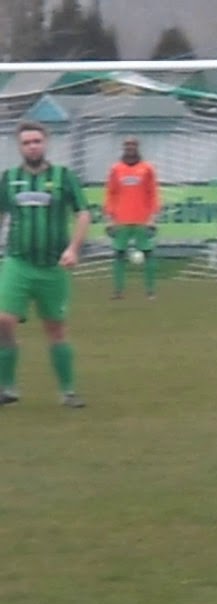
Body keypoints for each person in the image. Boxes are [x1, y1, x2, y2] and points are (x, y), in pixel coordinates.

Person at [0, 121, 90, 409]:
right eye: (26, 142)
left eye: (37, 141)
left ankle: (67, 392)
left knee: (55, 329)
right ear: (19, 146)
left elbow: (84, 213)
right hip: (18, 262)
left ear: (46, 142)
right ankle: (8, 388)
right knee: (3, 321)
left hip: (53, 266)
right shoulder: (9, 177)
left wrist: (74, 249)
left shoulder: (64, 176)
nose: (32, 146)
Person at [105, 137, 161, 300]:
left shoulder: (147, 169)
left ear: (137, 147)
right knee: (119, 254)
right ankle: (118, 291)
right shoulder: (116, 169)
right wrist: (110, 216)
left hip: (142, 219)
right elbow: (111, 193)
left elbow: (153, 193)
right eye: (127, 145)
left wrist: (153, 216)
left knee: (148, 254)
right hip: (121, 219)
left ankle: (150, 291)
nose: (130, 147)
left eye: (133, 145)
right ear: (123, 147)